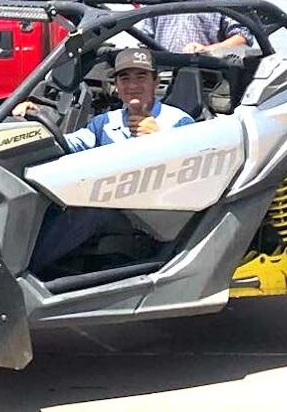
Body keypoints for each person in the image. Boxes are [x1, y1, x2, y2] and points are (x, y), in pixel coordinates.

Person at [23, 48, 196, 269]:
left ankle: (28, 270)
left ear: (155, 81)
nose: (132, 85)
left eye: (141, 77)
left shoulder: (179, 122)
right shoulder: (104, 122)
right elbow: (69, 144)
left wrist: (159, 141)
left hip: (154, 215)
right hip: (111, 200)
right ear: (116, 85)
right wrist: (34, 120)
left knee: (90, 208)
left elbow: (190, 172)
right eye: (125, 78)